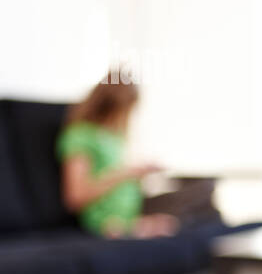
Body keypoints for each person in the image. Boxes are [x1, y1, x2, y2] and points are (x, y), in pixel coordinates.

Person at [57, 71, 217, 239]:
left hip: (130, 217)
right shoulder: (80, 136)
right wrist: (126, 173)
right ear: (110, 105)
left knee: (202, 192)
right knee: (191, 206)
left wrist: (139, 175)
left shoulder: (115, 137)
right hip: (105, 222)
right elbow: (75, 197)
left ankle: (140, 226)